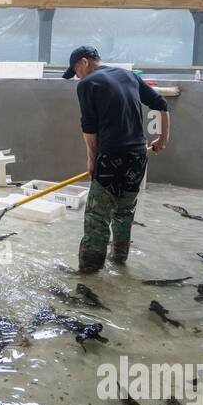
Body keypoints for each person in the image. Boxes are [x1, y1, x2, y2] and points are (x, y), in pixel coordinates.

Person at [63, 46, 170, 272]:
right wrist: (162, 139)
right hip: (138, 156)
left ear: (84, 62)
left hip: (111, 157)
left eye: (76, 71)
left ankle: (89, 273)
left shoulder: (87, 84)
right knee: (124, 213)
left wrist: (92, 159)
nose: (77, 77)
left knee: (97, 218)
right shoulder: (128, 75)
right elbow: (161, 104)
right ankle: (119, 261)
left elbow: (89, 127)